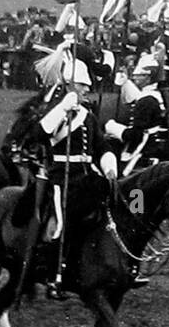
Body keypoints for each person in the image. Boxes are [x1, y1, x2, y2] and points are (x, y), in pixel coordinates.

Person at [31, 52, 121, 300]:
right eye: (82, 85)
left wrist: (109, 166)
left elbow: (101, 146)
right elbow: (40, 134)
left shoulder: (88, 116)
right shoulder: (57, 111)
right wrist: (63, 108)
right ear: (70, 85)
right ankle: (52, 277)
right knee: (60, 225)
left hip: (86, 176)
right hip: (61, 178)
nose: (86, 90)